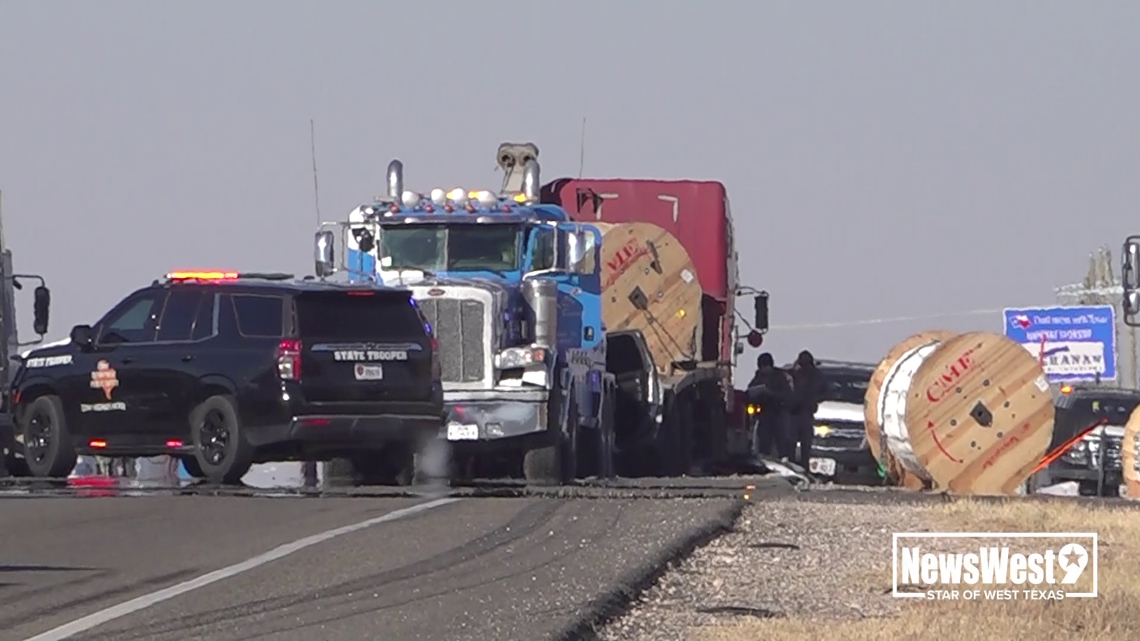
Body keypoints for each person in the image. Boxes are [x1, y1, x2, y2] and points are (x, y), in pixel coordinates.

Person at [746, 352, 793, 459]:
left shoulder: (780, 377)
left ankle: (784, 460)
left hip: (779, 413)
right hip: (764, 414)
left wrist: (771, 394)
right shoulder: (758, 377)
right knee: (764, 442)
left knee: (782, 442)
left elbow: (787, 395)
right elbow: (750, 391)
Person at [789, 350, 827, 471]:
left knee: (796, 444)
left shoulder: (798, 375)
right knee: (802, 444)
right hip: (801, 413)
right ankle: (800, 466)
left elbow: (823, 392)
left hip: (801, 413)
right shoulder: (814, 375)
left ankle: (797, 466)